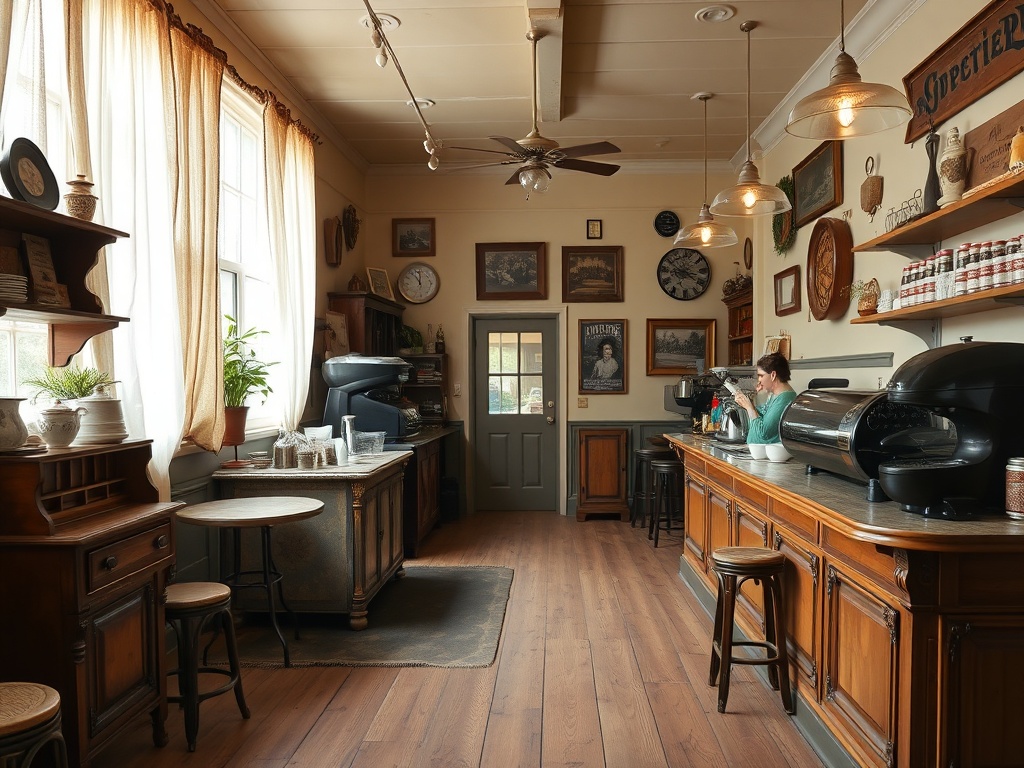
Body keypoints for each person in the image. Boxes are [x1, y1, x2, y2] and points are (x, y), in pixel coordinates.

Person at [732, 352, 797, 444]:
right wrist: (747, 402)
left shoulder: (784, 399)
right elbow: (762, 417)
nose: (759, 380)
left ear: (773, 375)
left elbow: (764, 433)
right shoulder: (775, 395)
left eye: (761, 376)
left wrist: (749, 408)